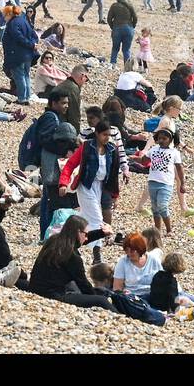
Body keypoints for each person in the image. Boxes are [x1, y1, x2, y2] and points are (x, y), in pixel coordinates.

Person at [24, 214, 113, 310]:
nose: (87, 238)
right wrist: (95, 298)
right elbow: (83, 284)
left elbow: (81, 240)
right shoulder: (73, 256)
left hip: (35, 288)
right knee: (101, 300)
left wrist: (102, 233)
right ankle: (119, 314)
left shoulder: (53, 240)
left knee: (75, 286)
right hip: (53, 296)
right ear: (78, 232)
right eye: (86, 234)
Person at [60, 118, 120, 233]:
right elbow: (70, 164)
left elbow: (113, 175)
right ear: (97, 134)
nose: (107, 138)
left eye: (109, 135)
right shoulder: (86, 147)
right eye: (104, 134)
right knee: (96, 217)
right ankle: (96, 246)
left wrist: (115, 195)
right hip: (85, 186)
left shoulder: (112, 150)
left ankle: (73, 236)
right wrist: (63, 183)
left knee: (87, 215)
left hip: (101, 186)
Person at [36, 91, 80, 239]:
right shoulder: (50, 118)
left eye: (67, 103)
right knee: (51, 203)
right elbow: (46, 140)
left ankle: (47, 234)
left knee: (48, 201)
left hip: (51, 167)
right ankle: (48, 235)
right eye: (63, 103)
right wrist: (66, 150)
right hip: (51, 167)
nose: (66, 106)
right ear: (53, 103)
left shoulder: (53, 117)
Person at [107, 0, 138, 67]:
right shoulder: (130, 5)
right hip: (129, 28)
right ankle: (127, 67)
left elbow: (109, 19)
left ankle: (113, 64)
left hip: (117, 28)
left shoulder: (114, 6)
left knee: (115, 48)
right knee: (126, 50)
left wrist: (113, 27)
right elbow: (135, 17)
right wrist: (132, 26)